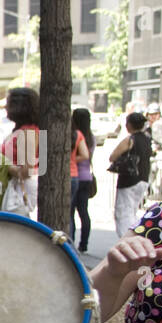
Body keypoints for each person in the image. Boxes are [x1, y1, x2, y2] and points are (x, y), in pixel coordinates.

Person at [0, 87, 40, 216]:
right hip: (15, 188)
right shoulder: (22, 130)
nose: (5, 107)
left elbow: (26, 171)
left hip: (19, 190)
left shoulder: (28, 132)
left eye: (8, 103)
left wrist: (1, 162)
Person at [109, 112, 153, 237]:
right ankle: (135, 237)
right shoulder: (147, 138)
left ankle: (127, 239)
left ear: (129, 124)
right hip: (143, 178)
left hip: (129, 180)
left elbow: (113, 156)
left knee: (123, 213)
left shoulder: (130, 139)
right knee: (132, 210)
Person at [69, 107, 95, 252]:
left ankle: (71, 245)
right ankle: (83, 244)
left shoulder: (74, 135)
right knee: (83, 212)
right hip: (86, 177)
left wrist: (71, 159)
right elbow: (87, 155)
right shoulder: (90, 137)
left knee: (70, 213)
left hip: (75, 175)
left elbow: (83, 155)